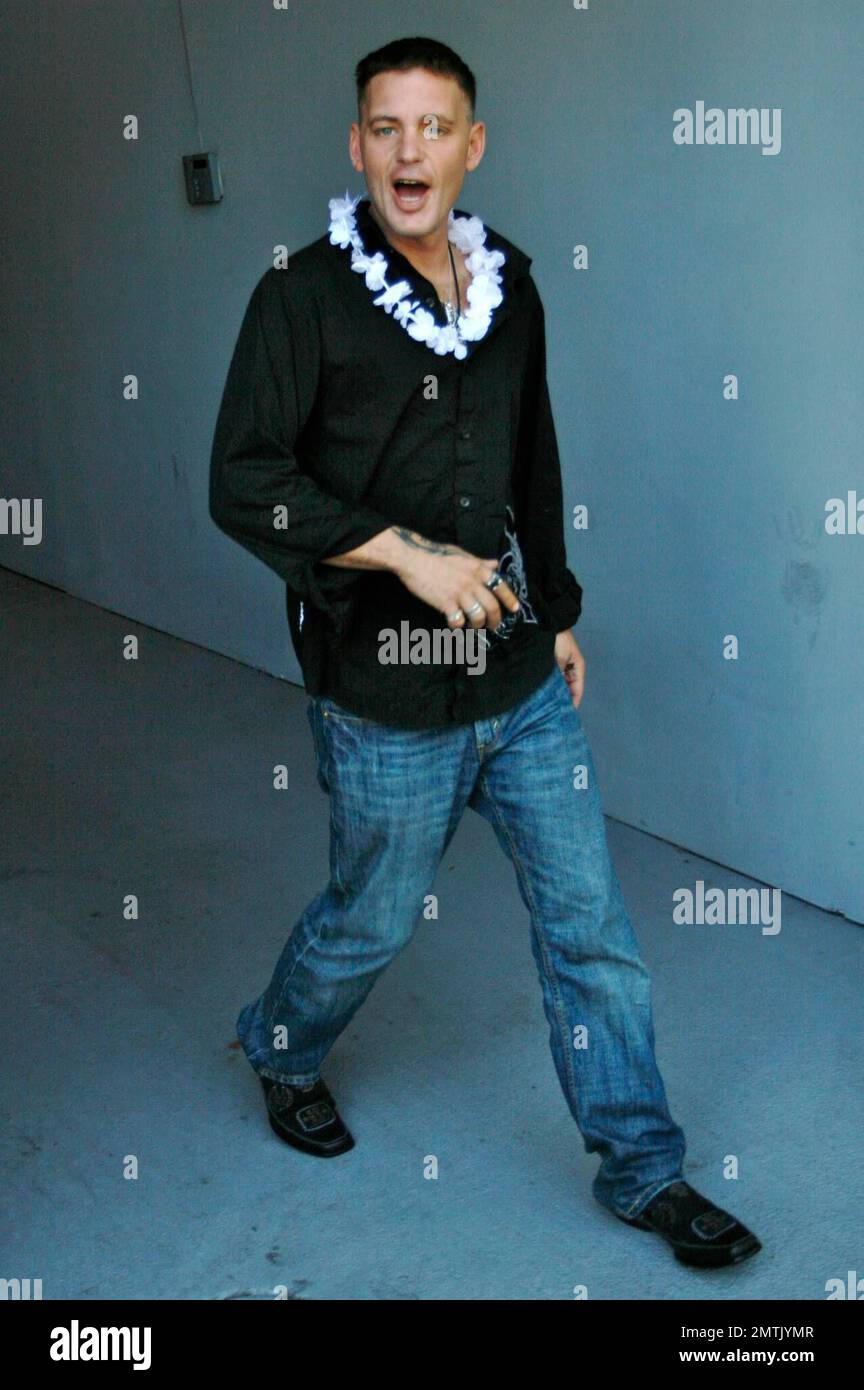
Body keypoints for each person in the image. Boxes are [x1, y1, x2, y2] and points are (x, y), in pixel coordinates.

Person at [209, 35, 761, 1269]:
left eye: (435, 126)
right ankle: (281, 1043)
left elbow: (533, 460)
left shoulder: (508, 279)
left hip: (515, 677)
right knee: (373, 917)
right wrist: (401, 551)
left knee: (592, 930)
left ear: (472, 144)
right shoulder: (297, 295)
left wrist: (554, 604)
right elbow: (243, 483)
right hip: (384, 687)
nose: (412, 151)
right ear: (359, 146)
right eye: (386, 127)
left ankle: (643, 1170)